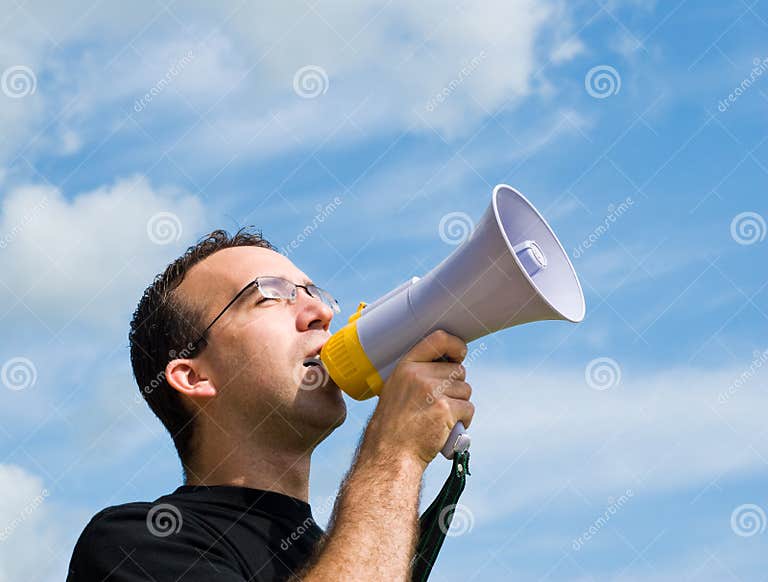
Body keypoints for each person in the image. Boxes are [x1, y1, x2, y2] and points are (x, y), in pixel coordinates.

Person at [66, 228, 474, 581]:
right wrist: (393, 452)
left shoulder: (362, 547)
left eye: (315, 294)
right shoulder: (134, 543)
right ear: (194, 376)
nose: (321, 313)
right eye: (269, 295)